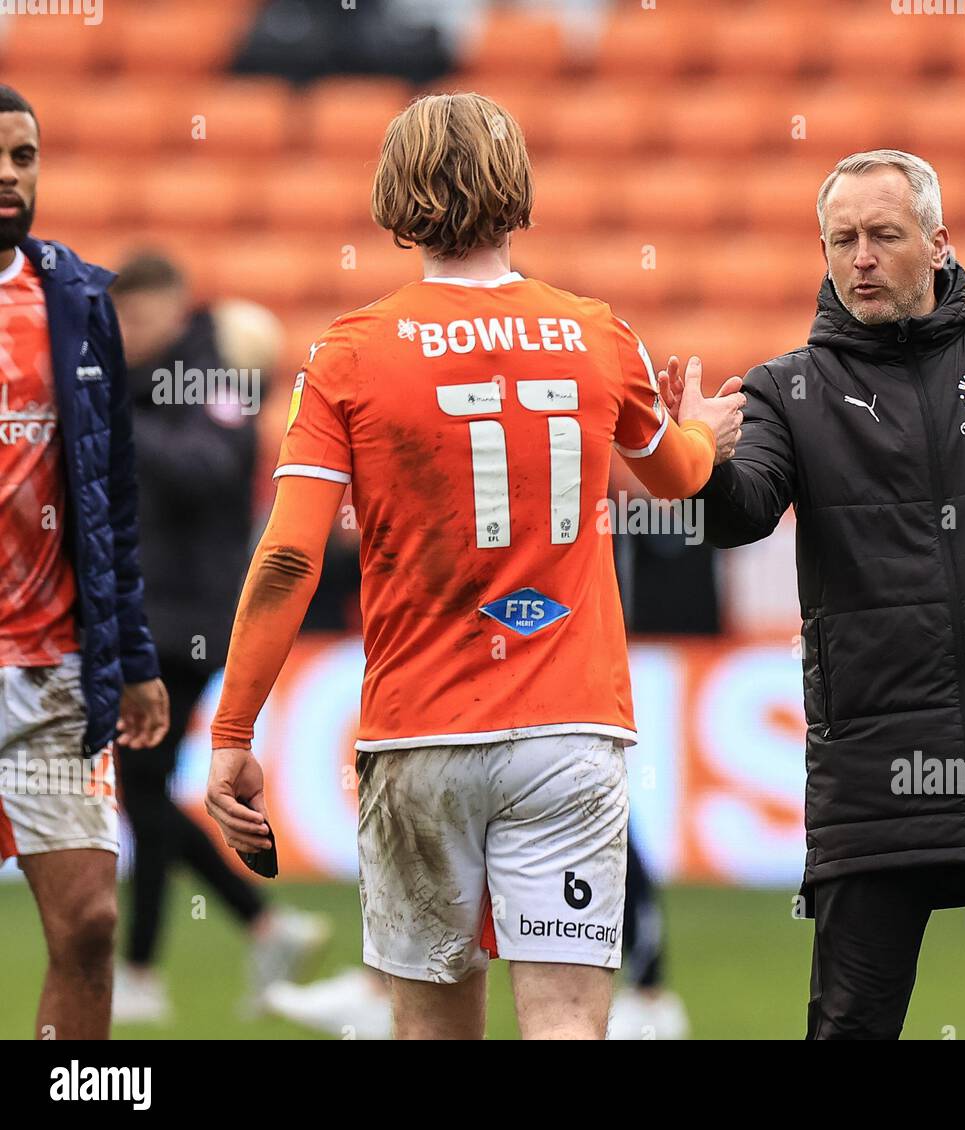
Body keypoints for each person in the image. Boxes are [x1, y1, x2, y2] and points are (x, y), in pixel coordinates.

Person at [203, 92, 744, 1040]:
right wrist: (706, 426)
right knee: (570, 1025)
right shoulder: (592, 332)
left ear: (392, 192)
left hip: (419, 732)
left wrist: (233, 731)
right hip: (567, 727)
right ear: (518, 188)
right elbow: (681, 478)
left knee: (431, 1032)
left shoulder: (351, 353)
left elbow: (289, 557)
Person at [662, 149, 965, 1040]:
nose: (860, 256)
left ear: (937, 243)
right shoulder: (790, 388)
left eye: (883, 235)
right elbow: (740, 515)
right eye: (841, 239)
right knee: (851, 1028)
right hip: (874, 781)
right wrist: (697, 458)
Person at [108, 255, 329, 1023]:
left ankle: (148, 969)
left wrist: (117, 421)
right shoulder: (140, 379)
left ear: (173, 310)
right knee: (143, 789)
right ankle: (260, 926)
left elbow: (211, 467)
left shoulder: (217, 375)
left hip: (189, 621)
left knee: (139, 786)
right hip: (148, 613)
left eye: (135, 318)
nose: (125, 334)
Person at [0, 85, 169, 1040]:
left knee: (92, 926)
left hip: (55, 668)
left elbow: (112, 496)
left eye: (24, 156)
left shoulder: (73, 301)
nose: (9, 175)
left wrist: (137, 656)